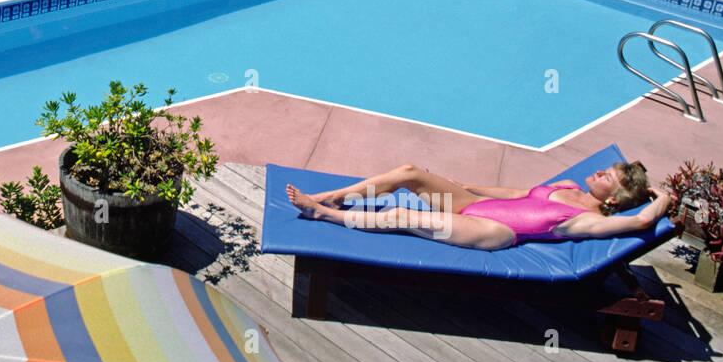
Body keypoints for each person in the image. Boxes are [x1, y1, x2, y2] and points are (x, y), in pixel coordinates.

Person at [285, 158, 675, 250]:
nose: (601, 172)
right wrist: (468, 187)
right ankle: (337, 195)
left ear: (617, 198)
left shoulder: (589, 219)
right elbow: (518, 195)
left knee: (404, 214)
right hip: (476, 206)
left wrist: (665, 198)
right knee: (410, 173)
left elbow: (642, 222)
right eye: (607, 169)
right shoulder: (569, 185)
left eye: (610, 177)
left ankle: (323, 211)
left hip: (498, 231)